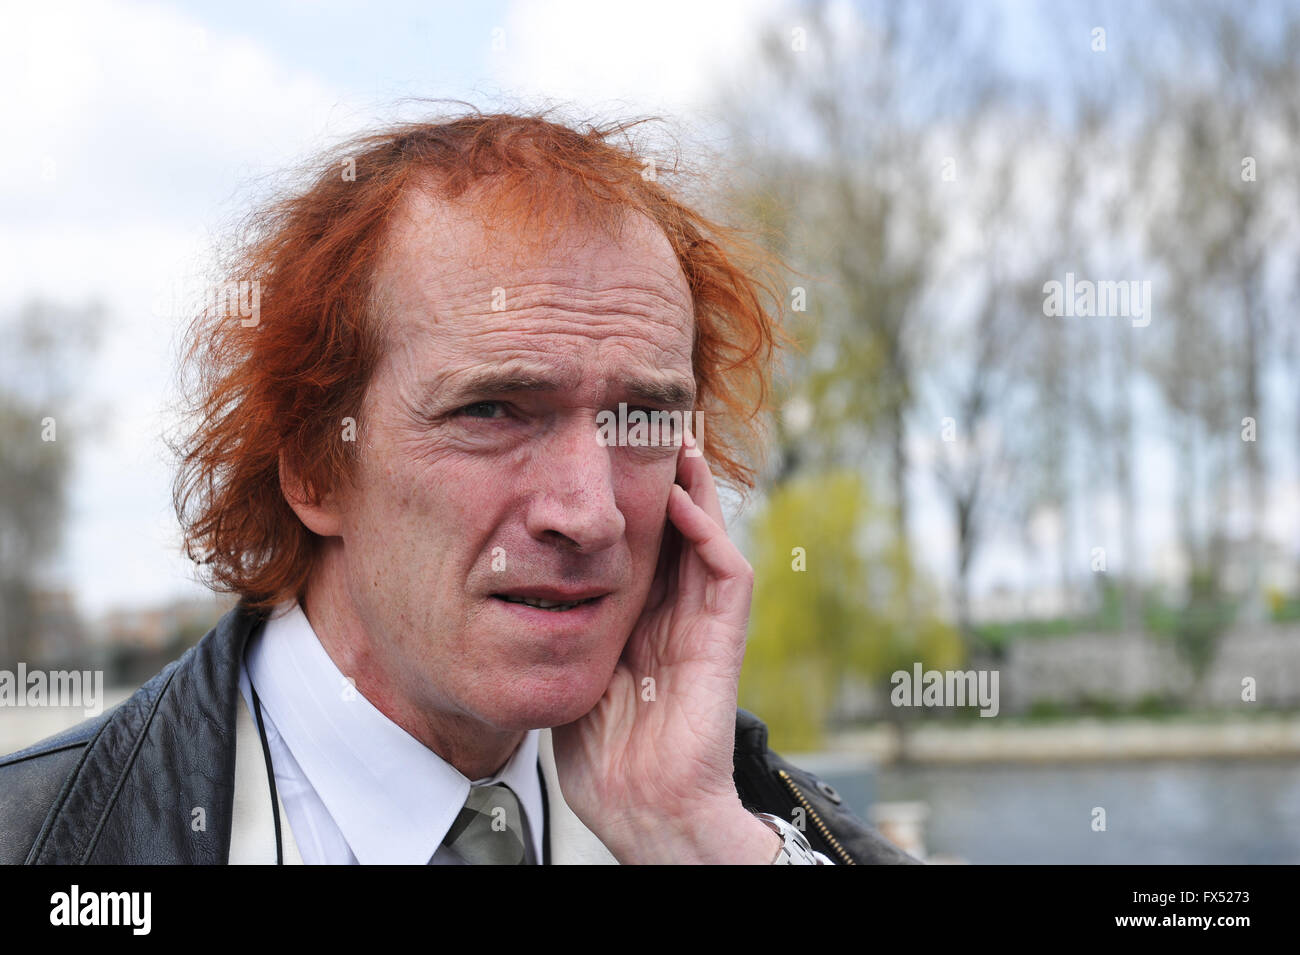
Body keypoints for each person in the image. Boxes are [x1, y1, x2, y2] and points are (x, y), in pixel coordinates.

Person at [0, 110, 918, 866]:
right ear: (316, 463)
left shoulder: (733, 824)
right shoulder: (48, 838)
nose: (589, 511)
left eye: (642, 418)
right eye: (494, 410)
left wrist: (694, 836)